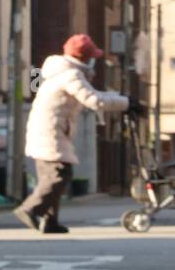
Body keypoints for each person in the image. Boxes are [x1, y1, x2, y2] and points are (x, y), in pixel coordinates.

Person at [16, 34, 130, 235]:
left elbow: (95, 94)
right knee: (58, 175)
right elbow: (94, 100)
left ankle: (50, 221)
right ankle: (30, 209)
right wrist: (126, 103)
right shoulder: (70, 74)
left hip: (46, 129)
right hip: (51, 131)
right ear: (85, 57)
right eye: (91, 56)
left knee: (52, 175)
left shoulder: (60, 70)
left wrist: (120, 98)